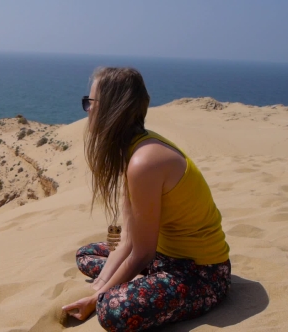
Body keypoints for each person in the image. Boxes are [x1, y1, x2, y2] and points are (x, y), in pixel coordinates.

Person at [62, 67, 231, 331]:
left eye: (90, 103)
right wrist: (100, 284)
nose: (87, 110)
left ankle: (127, 288)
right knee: (86, 255)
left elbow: (142, 253)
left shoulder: (144, 162)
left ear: (111, 109)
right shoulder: (132, 151)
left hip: (201, 274)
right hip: (163, 258)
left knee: (112, 310)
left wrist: (97, 298)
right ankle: (132, 283)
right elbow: (128, 239)